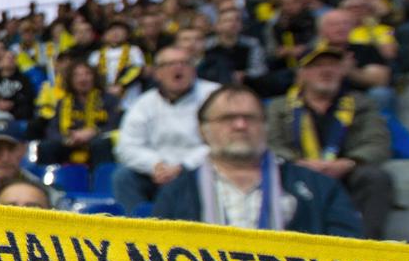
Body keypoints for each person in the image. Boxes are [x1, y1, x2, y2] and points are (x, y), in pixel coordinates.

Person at [152, 85, 361, 236]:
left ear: (266, 126)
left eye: (250, 117)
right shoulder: (176, 192)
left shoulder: (319, 187)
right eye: (227, 118)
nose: (241, 125)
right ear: (203, 130)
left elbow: (349, 253)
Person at [266, 43, 394, 239]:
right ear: (303, 73)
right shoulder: (279, 107)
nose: (326, 71)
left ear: (343, 71)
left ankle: (368, 250)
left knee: (376, 178)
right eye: (318, 66)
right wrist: (298, 163)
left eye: (333, 65)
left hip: (346, 172)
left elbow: (377, 142)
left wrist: (348, 163)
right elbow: (270, 142)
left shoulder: (362, 103)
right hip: (295, 170)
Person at [112, 46, 219, 212]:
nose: (178, 68)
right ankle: (135, 232)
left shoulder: (214, 95)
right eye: (170, 64)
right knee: (123, 177)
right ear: (157, 73)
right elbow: (126, 146)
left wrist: (183, 166)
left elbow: (221, 143)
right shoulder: (144, 103)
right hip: (156, 172)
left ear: (193, 69)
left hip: (199, 169)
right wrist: (155, 164)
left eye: (184, 63)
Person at [39, 61, 118, 167]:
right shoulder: (62, 102)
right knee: (45, 146)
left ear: (94, 77)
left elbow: (114, 125)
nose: (82, 79)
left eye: (87, 74)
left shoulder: (109, 99)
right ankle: (50, 182)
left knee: (101, 144)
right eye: (77, 75)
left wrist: (94, 132)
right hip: (69, 142)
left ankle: (102, 181)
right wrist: (67, 139)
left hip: (97, 140)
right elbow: (52, 129)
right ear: (70, 80)